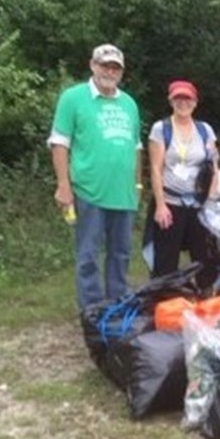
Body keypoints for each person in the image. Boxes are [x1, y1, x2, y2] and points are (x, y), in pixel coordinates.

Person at [48, 43, 143, 311]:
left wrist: (138, 184)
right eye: (105, 65)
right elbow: (59, 143)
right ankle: (92, 311)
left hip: (123, 193)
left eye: (115, 67)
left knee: (121, 254)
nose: (109, 71)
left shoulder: (129, 104)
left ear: (121, 72)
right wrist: (63, 186)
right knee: (88, 255)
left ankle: (116, 305)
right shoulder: (73, 98)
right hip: (88, 191)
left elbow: (136, 147)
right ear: (93, 65)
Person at [145, 79, 219, 283]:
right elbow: (155, 168)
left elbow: (214, 168)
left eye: (188, 99)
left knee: (206, 256)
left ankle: (207, 299)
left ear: (195, 102)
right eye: (178, 98)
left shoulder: (205, 130)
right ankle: (165, 301)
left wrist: (211, 203)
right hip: (171, 202)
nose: (183, 103)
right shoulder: (161, 129)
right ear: (171, 101)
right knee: (166, 261)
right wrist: (160, 205)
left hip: (199, 203)